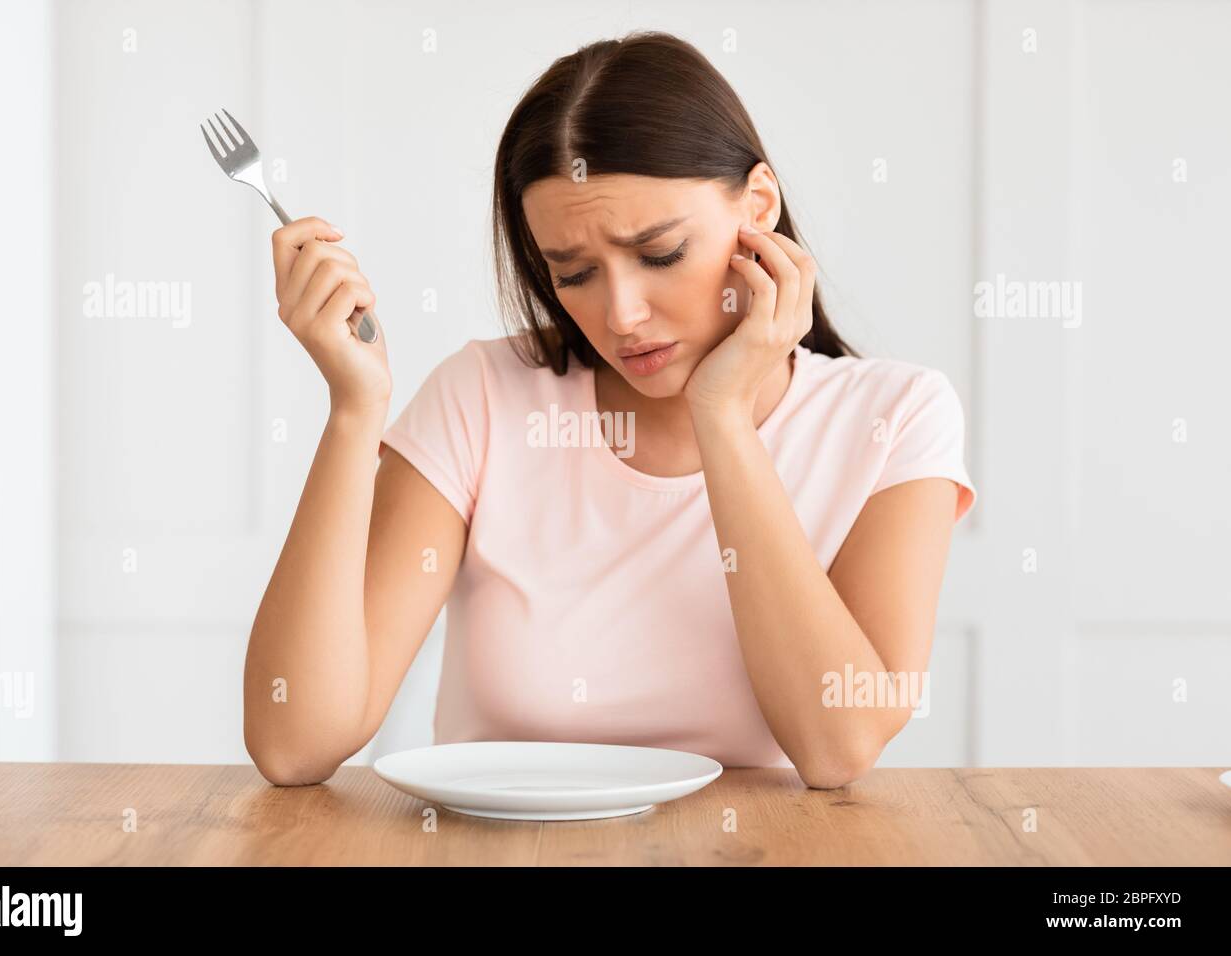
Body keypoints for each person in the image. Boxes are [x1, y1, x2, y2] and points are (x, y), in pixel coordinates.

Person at [243, 31, 976, 789]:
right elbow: (295, 742)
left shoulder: (896, 418)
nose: (622, 314)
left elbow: (839, 745)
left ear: (757, 205)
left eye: (660, 255)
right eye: (576, 273)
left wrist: (719, 414)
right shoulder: (483, 397)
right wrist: (354, 412)